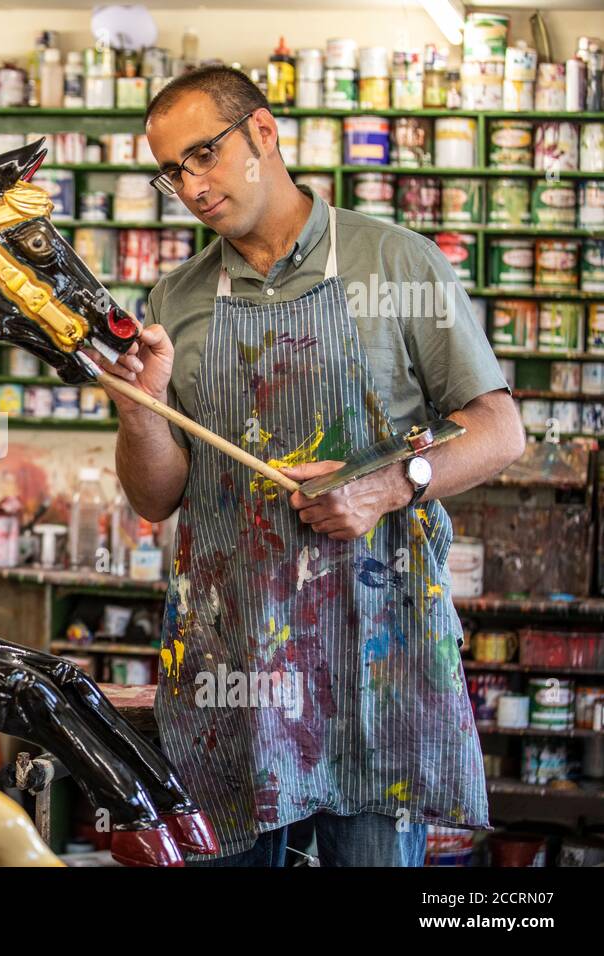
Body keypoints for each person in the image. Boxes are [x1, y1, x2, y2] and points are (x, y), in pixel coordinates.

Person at [88, 66, 525, 866]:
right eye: (171, 170)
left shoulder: (397, 264)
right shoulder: (176, 298)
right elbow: (157, 498)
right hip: (232, 674)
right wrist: (138, 406)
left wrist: (389, 486)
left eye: (204, 154)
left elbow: (499, 430)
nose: (189, 185)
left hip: (374, 672)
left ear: (262, 132)